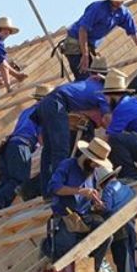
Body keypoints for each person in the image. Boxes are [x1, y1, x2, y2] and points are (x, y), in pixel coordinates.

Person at [0, 85, 50, 218]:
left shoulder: (27, 111)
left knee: (7, 181)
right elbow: (41, 138)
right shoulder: (43, 114)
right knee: (19, 180)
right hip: (22, 146)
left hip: (10, 145)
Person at [32, 60, 111, 190]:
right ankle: (59, 188)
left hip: (47, 103)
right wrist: (117, 132)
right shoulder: (101, 93)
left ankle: (48, 192)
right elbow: (107, 119)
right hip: (57, 104)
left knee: (48, 152)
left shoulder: (86, 85)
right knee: (61, 150)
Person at [41, 139, 114, 261]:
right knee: (64, 256)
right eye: (95, 163)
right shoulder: (68, 165)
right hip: (65, 217)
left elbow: (89, 200)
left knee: (106, 236)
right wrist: (78, 191)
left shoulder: (92, 173)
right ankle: (49, 249)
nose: (97, 166)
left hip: (83, 218)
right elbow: (54, 188)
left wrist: (96, 203)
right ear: (87, 158)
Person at [62, 0, 137, 79]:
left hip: (90, 46)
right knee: (84, 76)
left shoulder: (123, 13)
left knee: (101, 78)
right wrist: (84, 55)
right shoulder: (97, 8)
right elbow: (82, 30)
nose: (119, 2)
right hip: (76, 44)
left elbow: (136, 35)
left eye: (121, 0)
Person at [90, 166, 137, 272]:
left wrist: (97, 207)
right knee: (134, 260)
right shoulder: (127, 188)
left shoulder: (108, 189)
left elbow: (107, 208)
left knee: (124, 262)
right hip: (131, 228)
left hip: (119, 231)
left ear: (102, 182)